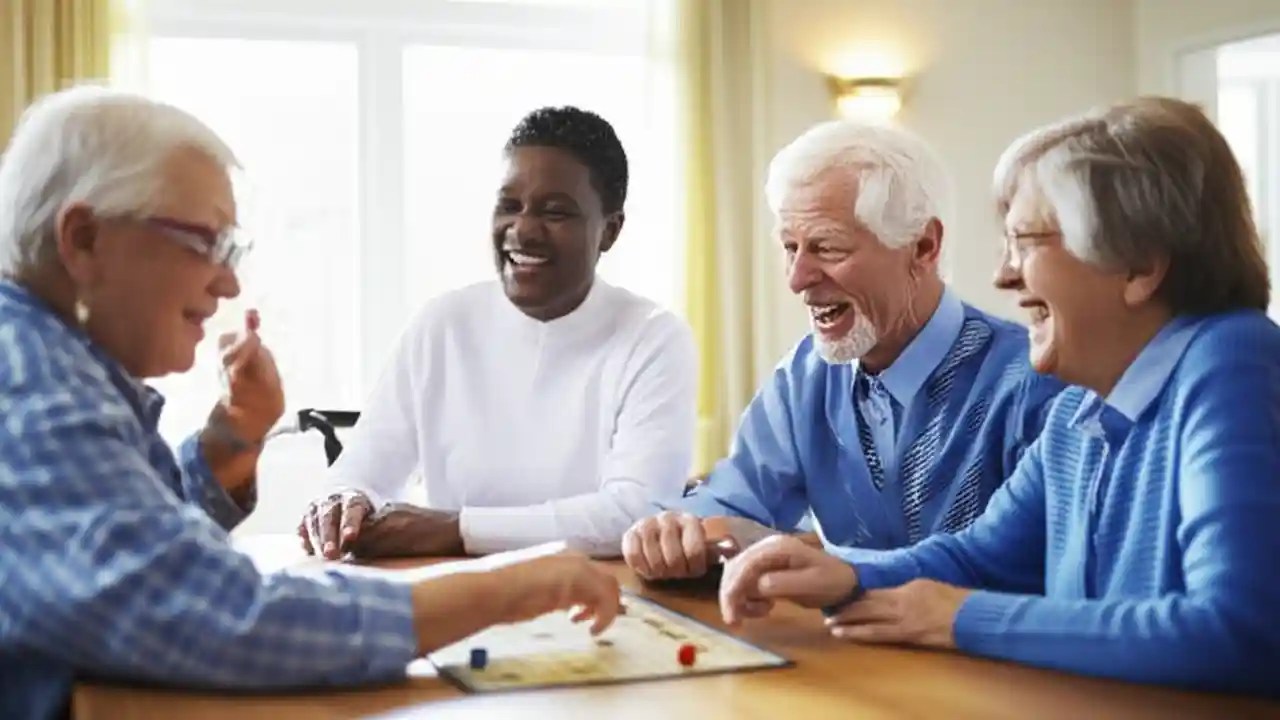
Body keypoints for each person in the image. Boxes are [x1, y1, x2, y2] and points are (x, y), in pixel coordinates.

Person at [0, 87, 621, 720]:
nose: (228, 281)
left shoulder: (50, 362)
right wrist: (506, 588)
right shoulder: (30, 390)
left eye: (229, 249)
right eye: (202, 242)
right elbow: (216, 615)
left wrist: (235, 436)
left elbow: (134, 547)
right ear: (82, 240)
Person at [717, 97, 1280, 695]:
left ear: (1138, 266)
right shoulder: (1078, 409)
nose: (1003, 277)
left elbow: (1239, 631)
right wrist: (842, 575)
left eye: (1027, 242)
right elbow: (975, 559)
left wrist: (959, 616)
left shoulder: (1231, 361)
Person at [622, 121, 1062, 580]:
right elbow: (735, 500)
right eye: (790, 247)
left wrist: (827, 567)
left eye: (826, 248)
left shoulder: (1034, 383)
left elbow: (1009, 568)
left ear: (923, 246)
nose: (797, 278)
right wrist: (677, 529)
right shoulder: (804, 376)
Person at [299, 106, 696, 561]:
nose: (523, 230)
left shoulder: (653, 339)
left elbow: (634, 514)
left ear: (610, 230)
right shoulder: (442, 325)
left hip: (594, 601)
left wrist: (455, 529)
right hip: (453, 598)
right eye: (509, 206)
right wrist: (345, 502)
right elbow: (361, 472)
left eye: (555, 212)